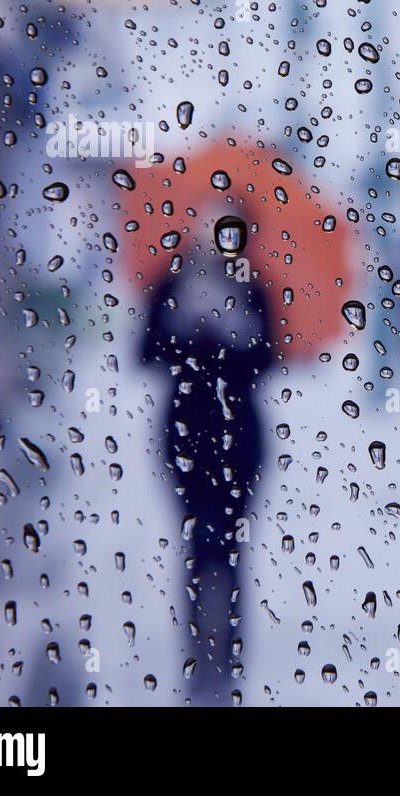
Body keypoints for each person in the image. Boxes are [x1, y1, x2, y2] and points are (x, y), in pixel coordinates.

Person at [140, 244, 272, 703]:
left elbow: (267, 358)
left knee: (232, 547)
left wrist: (230, 337)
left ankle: (231, 660)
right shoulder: (172, 283)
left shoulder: (251, 285)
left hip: (240, 439)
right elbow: (146, 352)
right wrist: (188, 332)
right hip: (186, 432)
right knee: (198, 544)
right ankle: (198, 655)